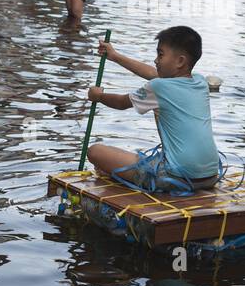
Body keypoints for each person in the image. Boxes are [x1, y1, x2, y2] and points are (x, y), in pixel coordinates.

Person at [86, 26, 221, 194]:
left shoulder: (159, 87)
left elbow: (121, 102)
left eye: (160, 54)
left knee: (95, 152)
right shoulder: (200, 83)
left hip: (175, 177)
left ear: (180, 61)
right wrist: (115, 56)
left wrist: (99, 96)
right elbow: (153, 73)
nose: (156, 60)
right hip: (210, 176)